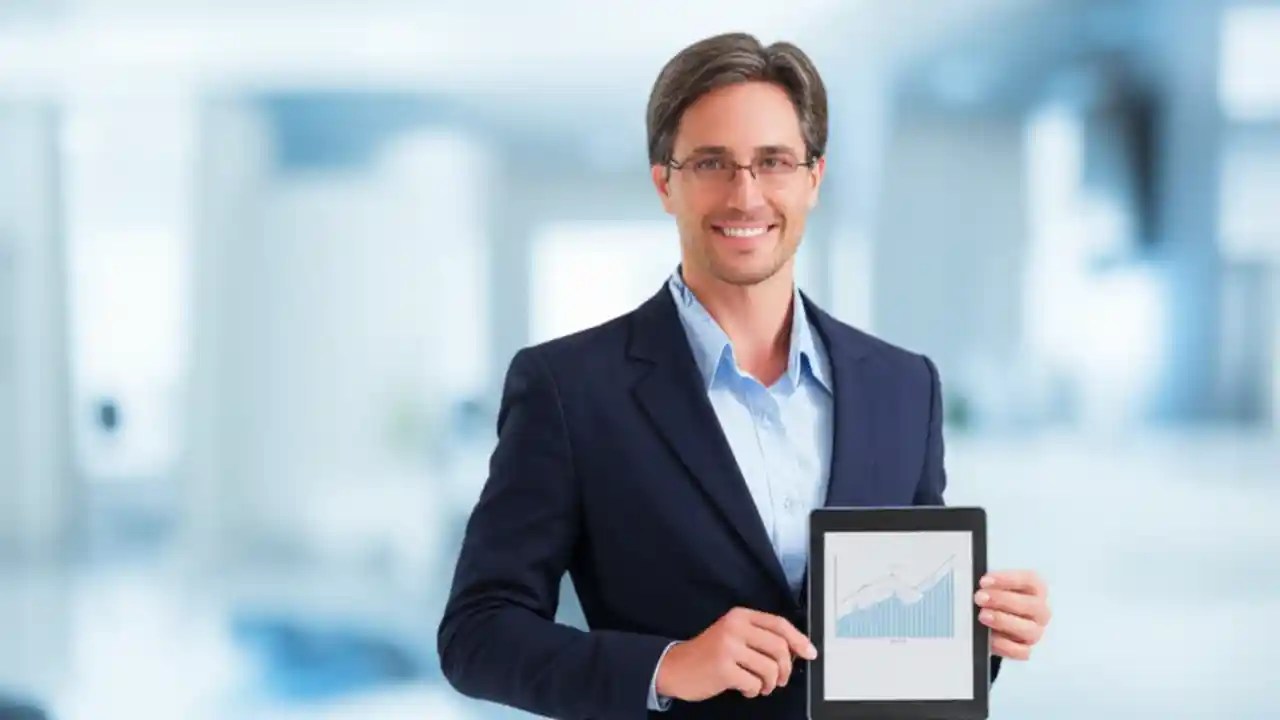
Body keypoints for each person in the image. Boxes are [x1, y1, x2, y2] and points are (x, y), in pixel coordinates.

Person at [437, 32, 1051, 719]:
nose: (745, 193)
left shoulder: (902, 388)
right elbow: (477, 634)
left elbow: (898, 643)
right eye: (711, 163)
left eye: (774, 161)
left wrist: (983, 636)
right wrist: (668, 666)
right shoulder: (570, 389)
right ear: (664, 180)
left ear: (813, 178)